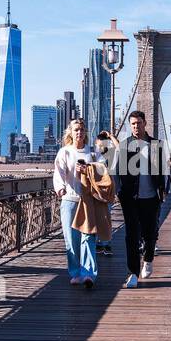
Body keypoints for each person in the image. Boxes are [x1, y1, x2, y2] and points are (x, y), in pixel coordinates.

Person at [110, 110, 167, 288]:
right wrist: (119, 190)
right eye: (133, 124)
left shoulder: (156, 145)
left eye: (139, 123)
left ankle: (148, 258)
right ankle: (132, 273)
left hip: (151, 197)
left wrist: (163, 189)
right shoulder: (123, 146)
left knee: (150, 234)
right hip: (130, 198)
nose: (136, 126)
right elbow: (115, 170)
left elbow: (164, 170)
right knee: (131, 236)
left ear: (145, 123)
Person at [52, 117, 102, 289]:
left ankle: (89, 274)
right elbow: (59, 172)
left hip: (88, 201)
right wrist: (60, 188)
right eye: (76, 130)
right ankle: (75, 273)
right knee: (71, 240)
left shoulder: (93, 152)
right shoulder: (64, 152)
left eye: (81, 129)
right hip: (69, 201)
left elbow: (103, 170)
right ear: (70, 133)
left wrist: (89, 169)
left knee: (88, 237)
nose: (79, 132)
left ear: (85, 132)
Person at [93, 131, 117, 256]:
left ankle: (106, 244)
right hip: (95, 190)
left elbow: (120, 149)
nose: (98, 145)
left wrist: (111, 136)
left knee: (106, 218)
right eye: (97, 143)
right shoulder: (93, 154)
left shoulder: (110, 154)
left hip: (107, 191)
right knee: (96, 218)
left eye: (100, 143)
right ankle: (97, 244)